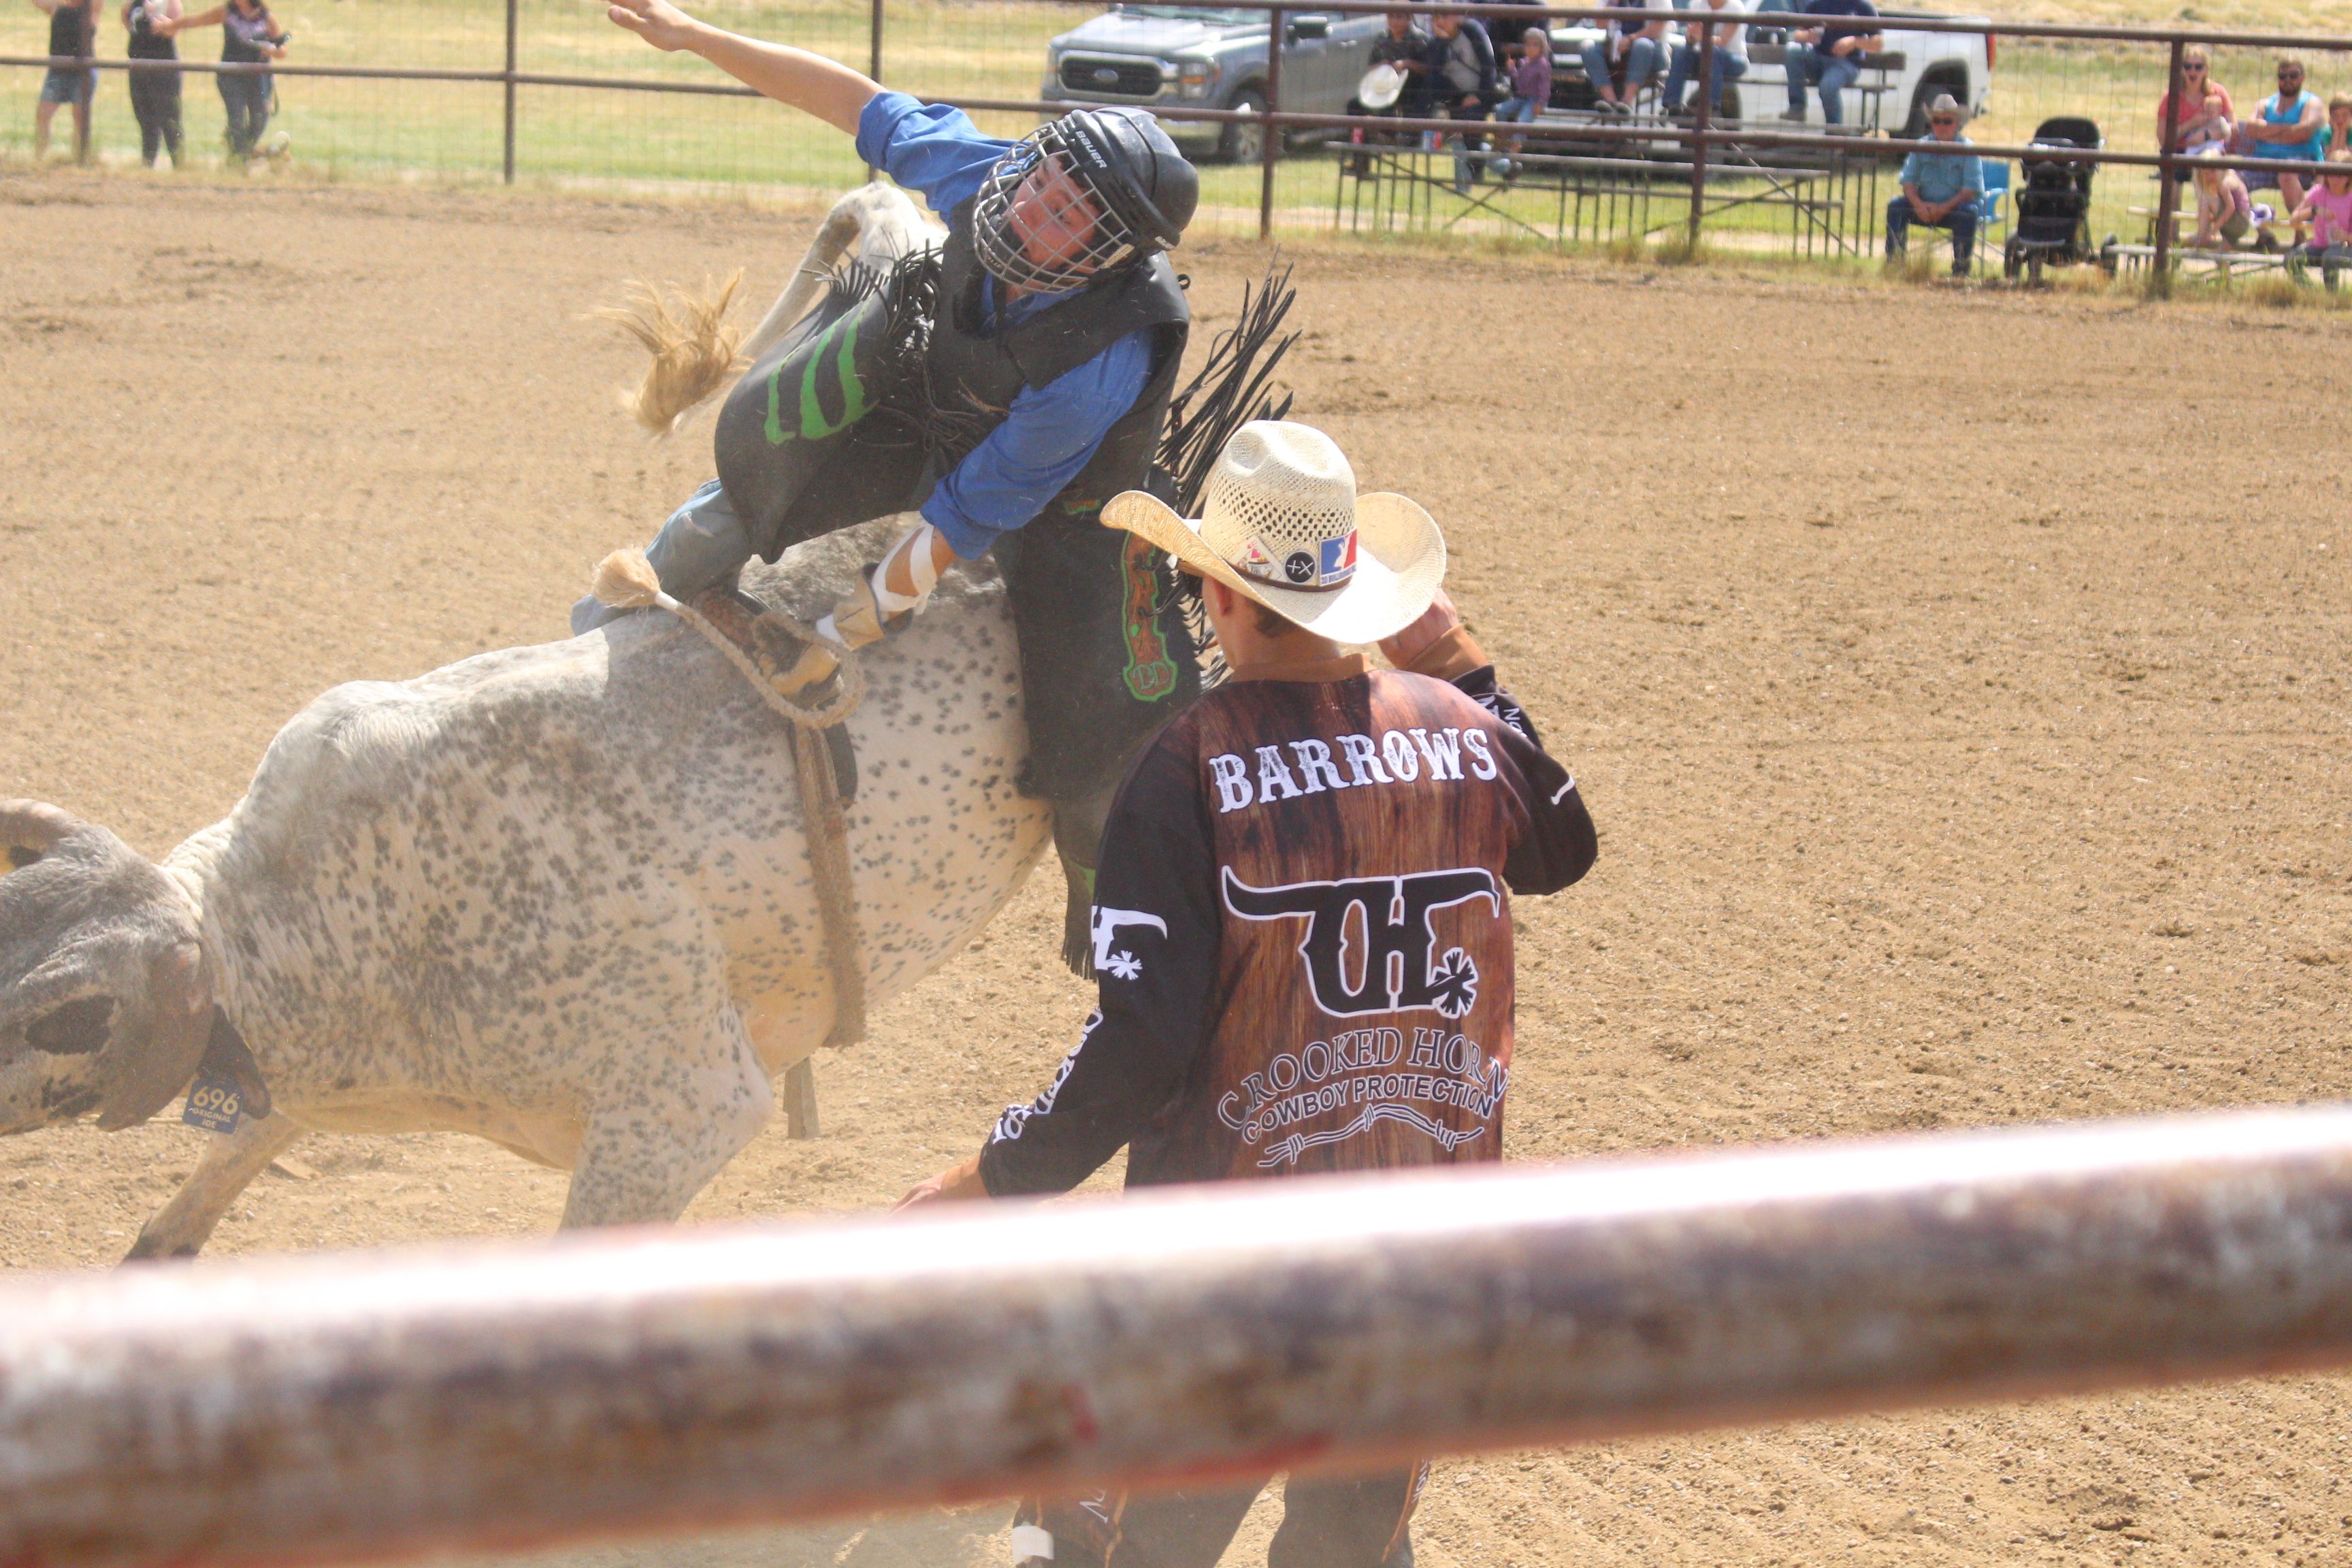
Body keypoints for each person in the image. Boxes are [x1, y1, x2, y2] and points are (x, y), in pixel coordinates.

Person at [898, 420, 1597, 1568]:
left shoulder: (1185, 768)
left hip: (1232, 1267)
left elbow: (1144, 1043)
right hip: (1422, 1252)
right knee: (1351, 1547)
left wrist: (999, 1172)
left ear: (1217, 597)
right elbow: (1564, 846)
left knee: (1144, 1542)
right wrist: (1464, 661)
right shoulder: (1467, 734)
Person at [597, 0, 1201, 950]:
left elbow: (966, 521)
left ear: (1108, 257)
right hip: (942, 403)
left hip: (1079, 512)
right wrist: (696, 36)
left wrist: (844, 631)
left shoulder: (1099, 361)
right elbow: (853, 100)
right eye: (1043, 181)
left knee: (1104, 752)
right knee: (748, 493)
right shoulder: (989, 176)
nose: (1032, 207)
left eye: (1066, 215)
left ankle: (1125, 946)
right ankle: (604, 639)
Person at [172, 0, 289, 162]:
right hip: (230, 77)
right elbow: (199, 20)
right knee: (236, 119)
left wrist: (272, 50)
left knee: (260, 119)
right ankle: (239, 162)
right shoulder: (227, 13)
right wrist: (171, 25)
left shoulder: (266, 18)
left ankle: (241, 153)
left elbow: (282, 50)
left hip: (258, 79)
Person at [1884, 93, 1982, 276]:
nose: (1941, 126)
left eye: (1947, 121)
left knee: (1969, 213)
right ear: (1931, 123)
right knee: (1895, 207)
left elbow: (1971, 190)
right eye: (1937, 121)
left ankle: (1961, 270)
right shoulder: (1920, 146)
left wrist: (1944, 207)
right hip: (1923, 207)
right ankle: (1895, 265)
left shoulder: (1969, 149)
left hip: (1953, 209)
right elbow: (1908, 181)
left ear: (1957, 124)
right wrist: (1918, 204)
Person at [1344, 7, 1432, 173]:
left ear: (1409, 18)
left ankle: (1393, 137)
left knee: (1391, 108)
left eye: (1399, 17)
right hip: (1383, 89)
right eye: (1391, 17)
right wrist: (1381, 65)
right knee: (1354, 106)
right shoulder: (1382, 38)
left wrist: (1407, 64)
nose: (1394, 22)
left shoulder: (1420, 39)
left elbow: (1430, 69)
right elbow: (1371, 66)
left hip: (1411, 91)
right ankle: (1360, 161)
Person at [2243, 56, 2325, 217]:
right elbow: (2251, 129)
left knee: (2287, 174)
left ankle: (2301, 232)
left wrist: (2267, 132)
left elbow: (2304, 132)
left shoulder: (2312, 102)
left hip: (2302, 163)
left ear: (2302, 77)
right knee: (2230, 180)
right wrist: (2289, 131)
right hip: (2263, 162)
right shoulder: (2266, 103)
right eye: (2283, 76)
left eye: (2293, 76)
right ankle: (2262, 229)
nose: (2288, 80)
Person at [1427, 9, 1497, 195]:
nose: (1441, 21)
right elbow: (1433, 71)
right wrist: (1441, 39)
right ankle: (1495, 168)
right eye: (1437, 17)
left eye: (1445, 15)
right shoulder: (1437, 41)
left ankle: (1488, 169)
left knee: (1469, 130)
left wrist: (1480, 95)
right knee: (1463, 135)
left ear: (1457, 16)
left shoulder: (1472, 30)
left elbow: (1489, 65)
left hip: (1483, 93)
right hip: (1457, 97)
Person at [1780, 0, 1879, 127]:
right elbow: (1798, 35)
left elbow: (1878, 44)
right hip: (1818, 58)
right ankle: (1797, 107)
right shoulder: (1818, 4)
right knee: (1793, 51)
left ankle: (1834, 136)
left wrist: (1854, 42)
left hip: (1847, 63)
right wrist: (1807, 36)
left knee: (1828, 87)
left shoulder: (1862, 5)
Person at [31, 0, 97, 165]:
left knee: (80, 117)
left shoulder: (91, 9)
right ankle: (38, 159)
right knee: (43, 115)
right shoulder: (56, 7)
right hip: (57, 71)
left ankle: (80, 159)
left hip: (82, 72)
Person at [1662, 0, 1748, 121]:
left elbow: (1723, 42)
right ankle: (1672, 104)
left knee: (1715, 52)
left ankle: (1712, 107)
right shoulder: (1696, 4)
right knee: (1682, 51)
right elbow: (1691, 39)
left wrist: (1701, 38)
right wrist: (1692, 37)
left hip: (1734, 59)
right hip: (1704, 57)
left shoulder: (1736, 7)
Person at [123, 0, 184, 168]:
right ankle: (147, 163)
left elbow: (176, 26)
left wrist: (164, 24)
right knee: (144, 117)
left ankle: (179, 165)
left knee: (170, 119)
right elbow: (125, 15)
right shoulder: (135, 2)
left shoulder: (171, 2)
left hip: (164, 68)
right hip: (138, 66)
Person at [1579, 0, 1667, 116]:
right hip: (1617, 49)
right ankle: (1611, 102)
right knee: (1588, 47)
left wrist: (1631, 39)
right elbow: (1600, 24)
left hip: (1652, 51)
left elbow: (1658, 27)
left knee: (1642, 45)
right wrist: (1611, 5)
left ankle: (1627, 103)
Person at [1492, 25, 1551, 180]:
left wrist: (1541, 102)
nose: (1531, 48)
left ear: (1542, 47)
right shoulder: (1525, 62)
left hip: (1534, 99)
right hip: (1521, 98)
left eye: (1535, 45)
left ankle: (1515, 148)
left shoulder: (1543, 65)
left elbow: (1545, 87)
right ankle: (1502, 138)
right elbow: (1520, 83)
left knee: (1522, 121)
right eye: (1528, 45)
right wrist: (1512, 70)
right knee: (1500, 110)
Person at [2289, 148, 2352, 282]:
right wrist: (2314, 210)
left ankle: (2331, 299)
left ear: (2349, 178)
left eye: (2341, 176)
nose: (2335, 180)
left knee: (2330, 258)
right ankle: (2309, 292)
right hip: (2319, 246)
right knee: (2291, 259)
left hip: (2346, 248)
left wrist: (2345, 236)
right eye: (2332, 174)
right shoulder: (2318, 192)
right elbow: (2294, 220)